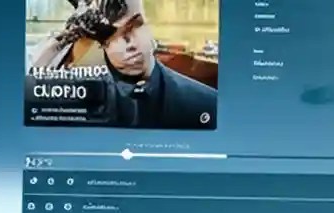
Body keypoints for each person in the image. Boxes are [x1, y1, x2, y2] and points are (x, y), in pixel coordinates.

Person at [30, 0, 217, 130]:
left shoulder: (206, 103)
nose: (131, 45)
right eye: (112, 37)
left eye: (135, 25)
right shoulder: (57, 59)